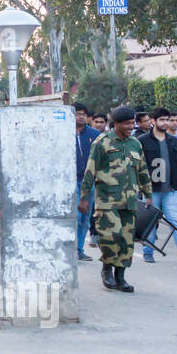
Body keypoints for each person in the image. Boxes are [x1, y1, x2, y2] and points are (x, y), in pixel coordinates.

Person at [80, 105, 151, 293]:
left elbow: (142, 170)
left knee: (127, 240)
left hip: (129, 200)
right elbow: (90, 170)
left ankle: (121, 277)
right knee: (111, 236)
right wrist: (84, 197)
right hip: (107, 200)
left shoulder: (136, 143)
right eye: (127, 124)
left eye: (132, 123)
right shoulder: (102, 142)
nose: (130, 127)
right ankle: (107, 269)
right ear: (116, 124)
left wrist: (149, 195)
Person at [138, 107, 177, 266]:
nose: (165, 123)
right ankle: (148, 252)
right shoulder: (142, 141)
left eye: (167, 119)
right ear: (153, 121)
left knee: (176, 221)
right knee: (151, 222)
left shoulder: (175, 141)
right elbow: (138, 165)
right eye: (162, 119)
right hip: (151, 190)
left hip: (171, 189)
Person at [73, 102, 100, 261]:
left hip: (88, 181)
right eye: (77, 113)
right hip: (71, 181)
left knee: (85, 217)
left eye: (83, 114)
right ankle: (72, 249)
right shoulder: (63, 131)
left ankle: (79, 248)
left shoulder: (94, 134)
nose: (81, 116)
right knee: (75, 215)